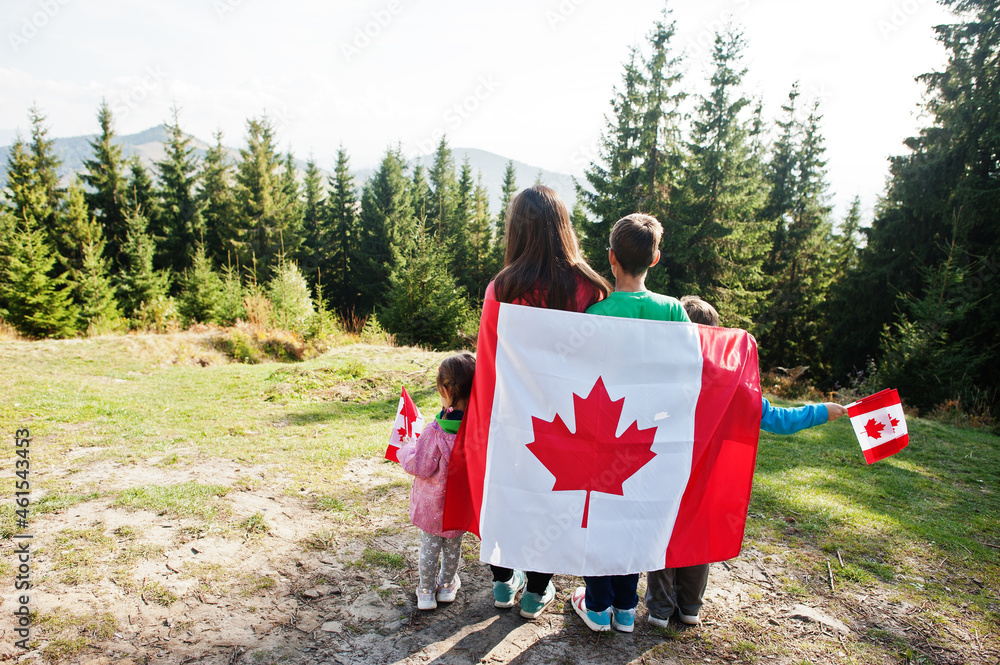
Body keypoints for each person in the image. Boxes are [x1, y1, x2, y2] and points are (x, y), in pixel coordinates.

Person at [644, 294, 849, 628]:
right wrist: (821, 411)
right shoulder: (734, 386)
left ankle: (659, 610)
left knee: (665, 535)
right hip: (711, 481)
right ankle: (690, 608)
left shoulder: (665, 379)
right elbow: (779, 419)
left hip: (669, 474)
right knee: (699, 537)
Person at [485, 184, 612, 619]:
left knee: (507, 492)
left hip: (513, 415)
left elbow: (490, 360)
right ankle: (538, 591)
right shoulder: (592, 290)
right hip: (568, 419)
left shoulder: (501, 288)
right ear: (563, 228)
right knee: (551, 500)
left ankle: (503, 584)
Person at [569, 213, 690, 633]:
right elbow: (691, 370)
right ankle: (625, 608)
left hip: (602, 433)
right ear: (655, 258)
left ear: (611, 258)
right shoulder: (674, 311)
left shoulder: (597, 312)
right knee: (636, 516)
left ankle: (597, 605)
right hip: (651, 436)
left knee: (602, 515)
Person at [397, 352, 476, 610]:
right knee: (453, 549)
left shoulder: (434, 431)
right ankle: (446, 586)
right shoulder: (477, 429)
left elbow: (420, 466)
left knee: (429, 548)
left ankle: (426, 591)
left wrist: (407, 448)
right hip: (457, 507)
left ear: (445, 389)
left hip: (432, 507)